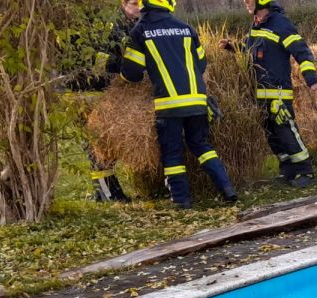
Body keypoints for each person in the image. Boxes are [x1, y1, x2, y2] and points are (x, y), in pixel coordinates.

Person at [122, 0, 237, 209]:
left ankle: (182, 201)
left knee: (172, 152)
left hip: (169, 104)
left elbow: (132, 74)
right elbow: (201, 65)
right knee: (201, 145)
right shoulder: (186, 28)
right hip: (197, 100)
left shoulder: (140, 31)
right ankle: (227, 189)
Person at [224, 0, 317, 189]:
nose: (246, 2)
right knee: (272, 135)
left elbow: (301, 50)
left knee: (286, 132)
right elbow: (250, 50)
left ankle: (306, 171)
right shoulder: (256, 25)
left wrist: (311, 78)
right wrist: (233, 47)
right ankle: (288, 171)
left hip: (278, 93)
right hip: (260, 94)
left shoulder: (280, 24)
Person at [80, 0, 142, 203]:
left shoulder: (129, 24)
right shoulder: (108, 26)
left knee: (105, 144)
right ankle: (106, 194)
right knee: (97, 145)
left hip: (107, 91)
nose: (139, 8)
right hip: (89, 91)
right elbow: (92, 56)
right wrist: (119, 66)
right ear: (122, 4)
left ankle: (111, 191)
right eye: (134, 3)